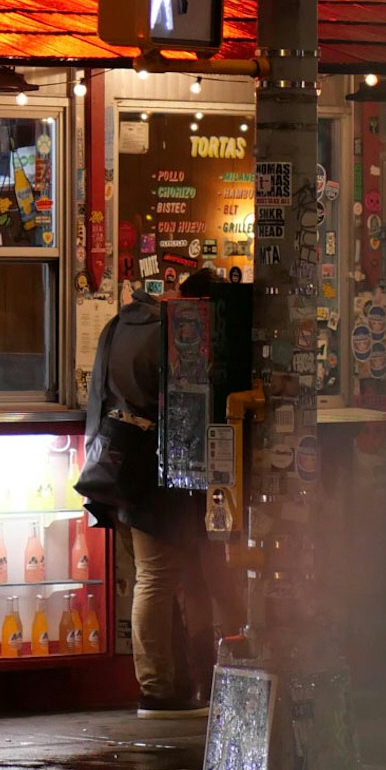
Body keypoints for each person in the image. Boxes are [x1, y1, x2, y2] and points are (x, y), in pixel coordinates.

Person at [81, 264, 241, 712]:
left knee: (173, 576)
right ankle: (157, 687)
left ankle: (184, 683)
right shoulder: (172, 335)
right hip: (160, 470)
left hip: (117, 464)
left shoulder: (122, 323)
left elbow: (96, 394)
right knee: (161, 577)